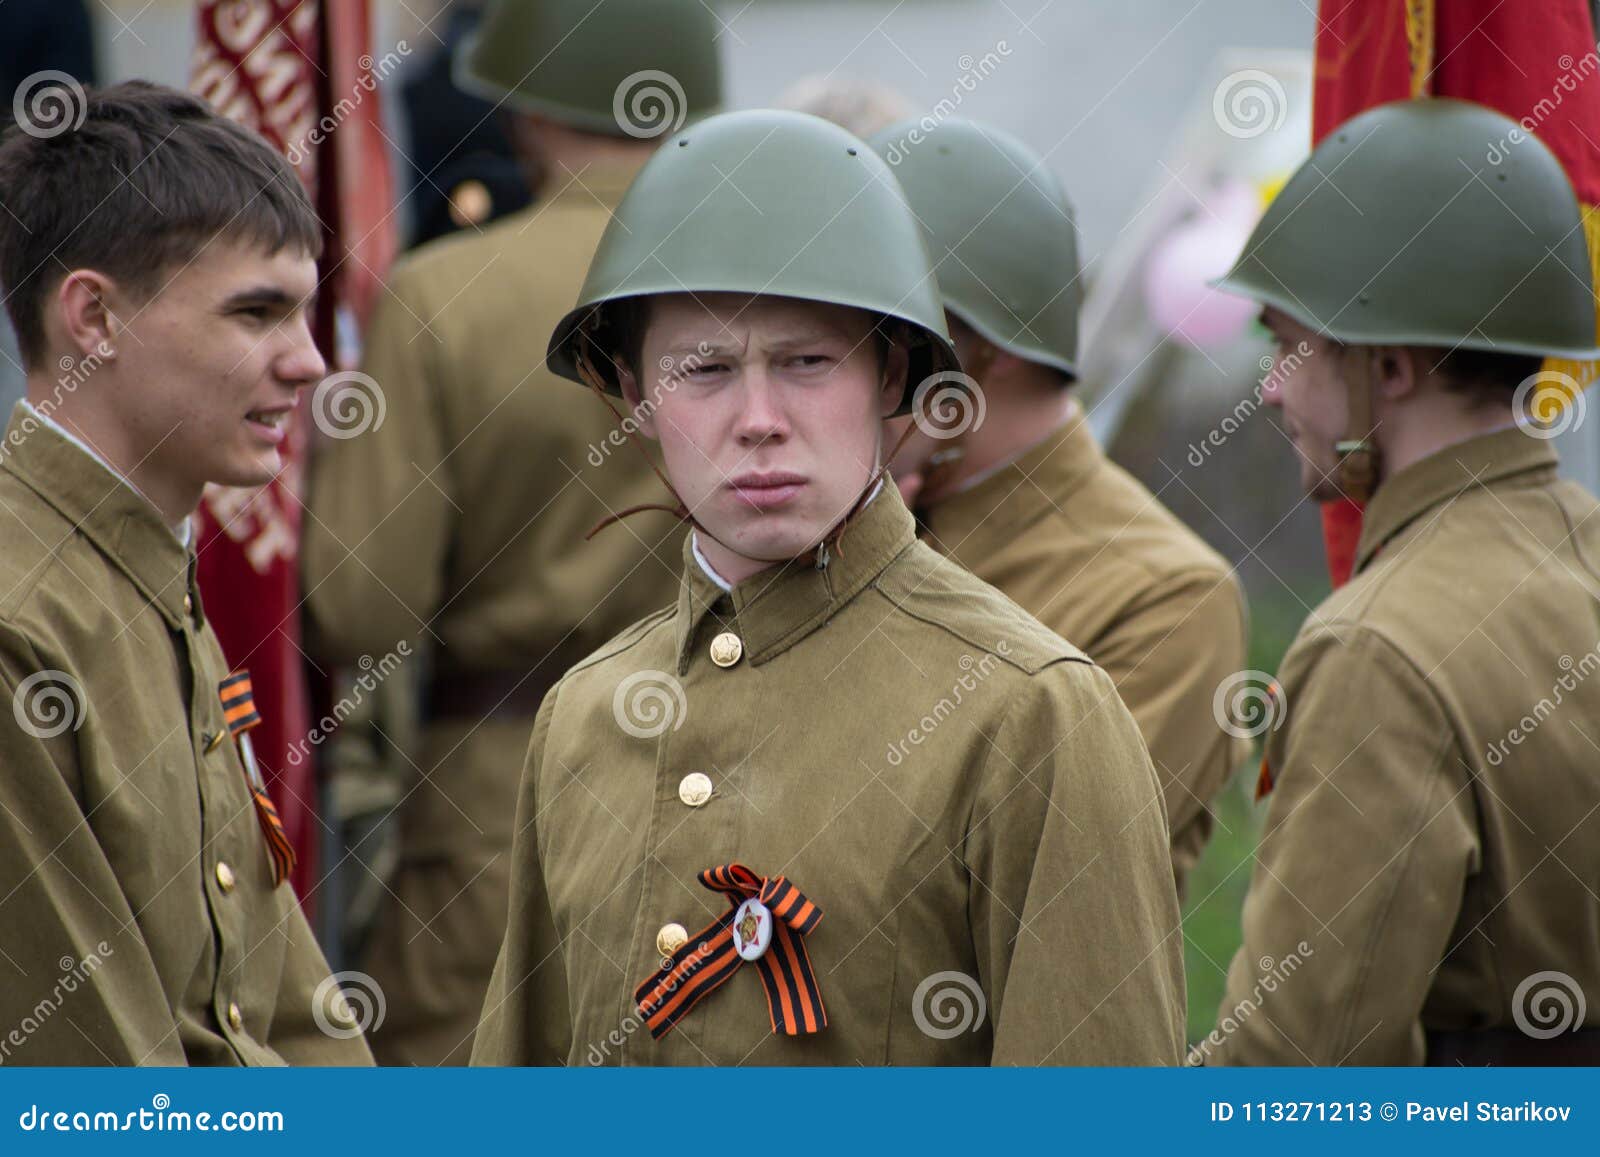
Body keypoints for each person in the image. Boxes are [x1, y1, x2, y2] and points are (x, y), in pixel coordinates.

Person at [470, 109, 1186, 1066]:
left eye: (807, 362)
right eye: (705, 369)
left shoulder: (1032, 713)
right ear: (633, 397)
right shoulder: (580, 717)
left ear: (890, 374)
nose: (759, 418)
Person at [301, 0, 722, 1064]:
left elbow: (361, 599)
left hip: (500, 803)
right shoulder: (777, 286)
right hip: (738, 783)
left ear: (530, 104)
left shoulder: (449, 293)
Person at [1202, 97, 1600, 1065]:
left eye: (1287, 344)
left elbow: (1293, 1074)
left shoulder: (1375, 654)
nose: (1269, 388)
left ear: (1386, 367)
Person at [0, 81, 371, 1065]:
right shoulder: (19, 620)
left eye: (306, 312)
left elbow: (282, 999)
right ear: (94, 317)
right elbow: (92, 1086)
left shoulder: (144, 571)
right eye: (257, 312)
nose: (309, 363)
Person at [869, 117, 1249, 896]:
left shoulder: (1166, 598)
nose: (821, 378)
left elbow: (1032, 891)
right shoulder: (842, 525)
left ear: (986, 349)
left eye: (867, 332)